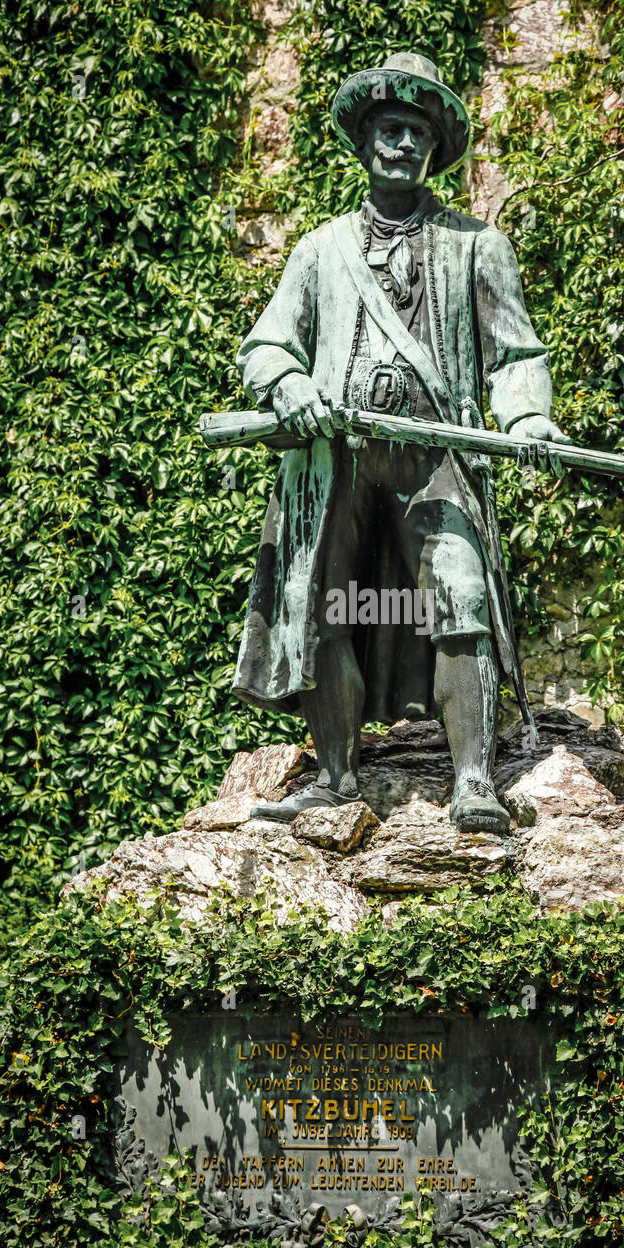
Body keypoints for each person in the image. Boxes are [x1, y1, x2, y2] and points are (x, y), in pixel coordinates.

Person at [233, 52, 568, 834]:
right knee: (325, 607)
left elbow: (517, 355)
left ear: (433, 150)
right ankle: (337, 775)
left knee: (463, 596)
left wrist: (525, 421)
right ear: (365, 140)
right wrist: (290, 388)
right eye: (389, 129)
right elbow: (267, 347)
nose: (401, 145)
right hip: (336, 459)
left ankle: (475, 781)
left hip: (437, 459)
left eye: (417, 133)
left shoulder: (479, 247)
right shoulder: (319, 251)